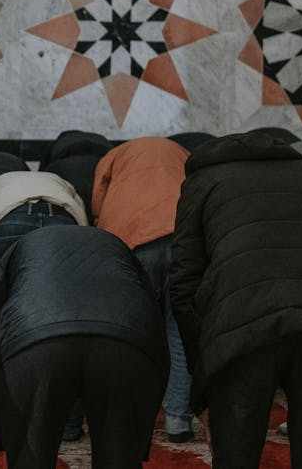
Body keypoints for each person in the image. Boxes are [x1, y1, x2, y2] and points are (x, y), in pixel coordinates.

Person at [170, 132, 302, 468]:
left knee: (236, 456)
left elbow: (184, 282)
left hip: (241, 324)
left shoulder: (202, 182)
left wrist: (203, 368)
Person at [0, 225, 166, 469]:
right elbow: (155, 328)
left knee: (30, 461)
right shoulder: (118, 248)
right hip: (124, 339)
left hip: (36, 341)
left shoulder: (13, 253)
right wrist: (140, 434)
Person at [0, 170, 87, 440]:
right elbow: (83, 225)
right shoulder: (62, 182)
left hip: (8, 222)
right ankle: (69, 426)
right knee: (68, 327)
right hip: (64, 223)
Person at [91, 136, 194, 443]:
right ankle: (177, 420)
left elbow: (98, 200)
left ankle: (128, 419)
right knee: (179, 331)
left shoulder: (114, 155)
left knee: (131, 331)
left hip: (134, 239)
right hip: (181, 239)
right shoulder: (183, 153)